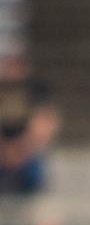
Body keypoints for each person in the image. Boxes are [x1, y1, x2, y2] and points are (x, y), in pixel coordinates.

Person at [0, 53, 58, 197]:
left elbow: (45, 125)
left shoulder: (36, 91)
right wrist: (5, 151)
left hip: (28, 154)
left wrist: (22, 150)